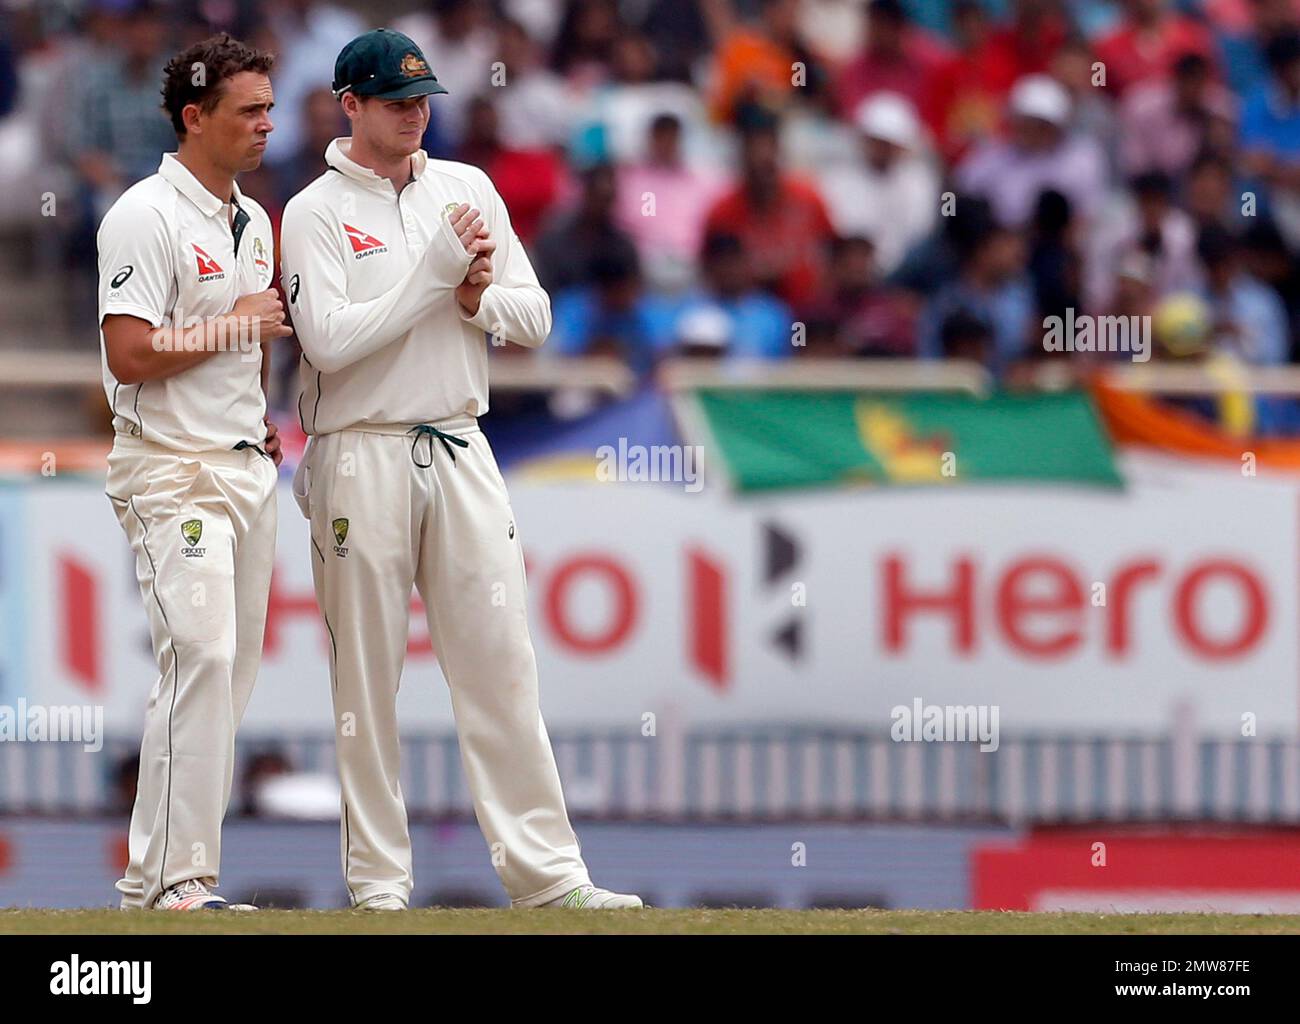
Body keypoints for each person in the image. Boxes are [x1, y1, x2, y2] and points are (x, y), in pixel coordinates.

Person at [279, 28, 643, 911]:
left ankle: (549, 878)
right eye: (396, 102)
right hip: (359, 450)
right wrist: (436, 273)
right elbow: (329, 342)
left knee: (501, 662)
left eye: (423, 100)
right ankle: (379, 888)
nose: (415, 116)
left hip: (459, 439)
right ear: (350, 104)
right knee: (365, 677)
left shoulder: (467, 187)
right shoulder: (312, 212)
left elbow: (535, 317)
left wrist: (478, 296)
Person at [98, 33, 290, 912]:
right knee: (201, 658)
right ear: (194, 116)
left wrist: (255, 426)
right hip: (172, 472)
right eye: (248, 109)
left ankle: (156, 883)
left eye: (268, 106)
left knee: (227, 677)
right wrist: (237, 326)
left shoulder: (252, 220)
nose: (266, 123)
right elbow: (131, 353)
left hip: (244, 468)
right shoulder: (143, 214)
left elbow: (236, 355)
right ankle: (179, 880)